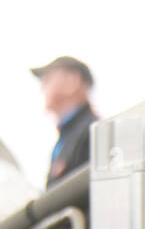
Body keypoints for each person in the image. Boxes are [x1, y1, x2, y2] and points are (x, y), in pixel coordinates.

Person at [31, 56, 97, 187]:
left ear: (72, 81)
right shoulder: (68, 136)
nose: (42, 88)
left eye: (47, 80)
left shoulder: (93, 133)